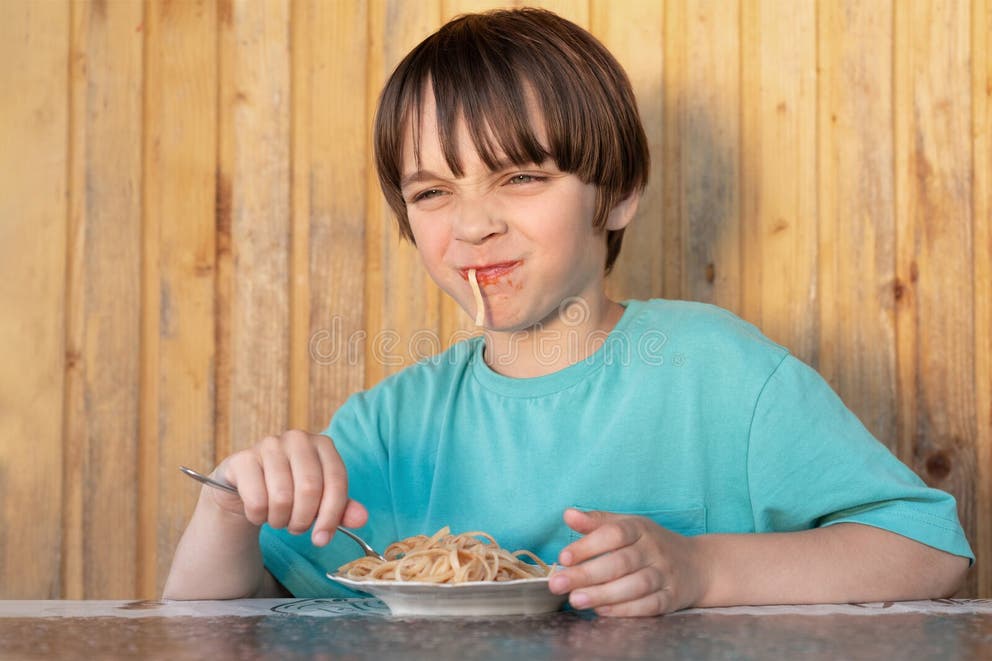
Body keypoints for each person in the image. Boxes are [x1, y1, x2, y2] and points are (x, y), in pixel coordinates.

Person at [164, 8, 972, 616]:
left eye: (520, 178)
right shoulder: (387, 426)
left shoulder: (719, 372)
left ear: (617, 194)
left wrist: (703, 569)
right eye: (434, 192)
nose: (473, 224)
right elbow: (213, 623)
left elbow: (929, 551)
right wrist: (228, 509)